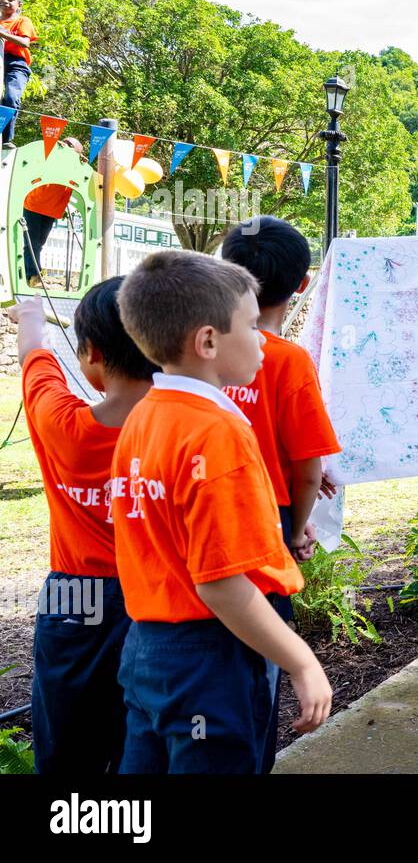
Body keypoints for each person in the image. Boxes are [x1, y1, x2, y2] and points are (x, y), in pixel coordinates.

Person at [111, 250, 332, 773]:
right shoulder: (218, 432)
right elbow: (222, 584)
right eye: (252, 326)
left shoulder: (143, 418)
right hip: (212, 655)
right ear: (208, 342)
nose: (261, 339)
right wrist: (301, 662)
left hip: (146, 648)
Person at [6, 281, 159, 773]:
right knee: (144, 730)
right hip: (156, 595)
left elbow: (35, 354)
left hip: (73, 593)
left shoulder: (60, 421)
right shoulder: (187, 429)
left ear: (92, 353)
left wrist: (30, 315)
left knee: (65, 736)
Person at [219, 216, 342, 771]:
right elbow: (308, 468)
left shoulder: (194, 350)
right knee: (259, 661)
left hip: (201, 527)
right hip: (266, 528)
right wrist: (296, 530)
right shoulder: (287, 359)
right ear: (301, 284)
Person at [20, 137, 85, 287]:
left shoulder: (76, 166)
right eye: (67, 145)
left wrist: (80, 163)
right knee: (32, 243)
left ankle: (30, 275)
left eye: (72, 148)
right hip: (34, 204)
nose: (68, 148)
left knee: (39, 244)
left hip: (52, 209)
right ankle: (33, 276)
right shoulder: (50, 155)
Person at [0, 0, 35, 147]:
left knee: (11, 97)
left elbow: (25, 43)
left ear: (18, 4)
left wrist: (3, 33)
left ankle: (6, 138)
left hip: (16, 64)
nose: (5, 1)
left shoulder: (22, 21)